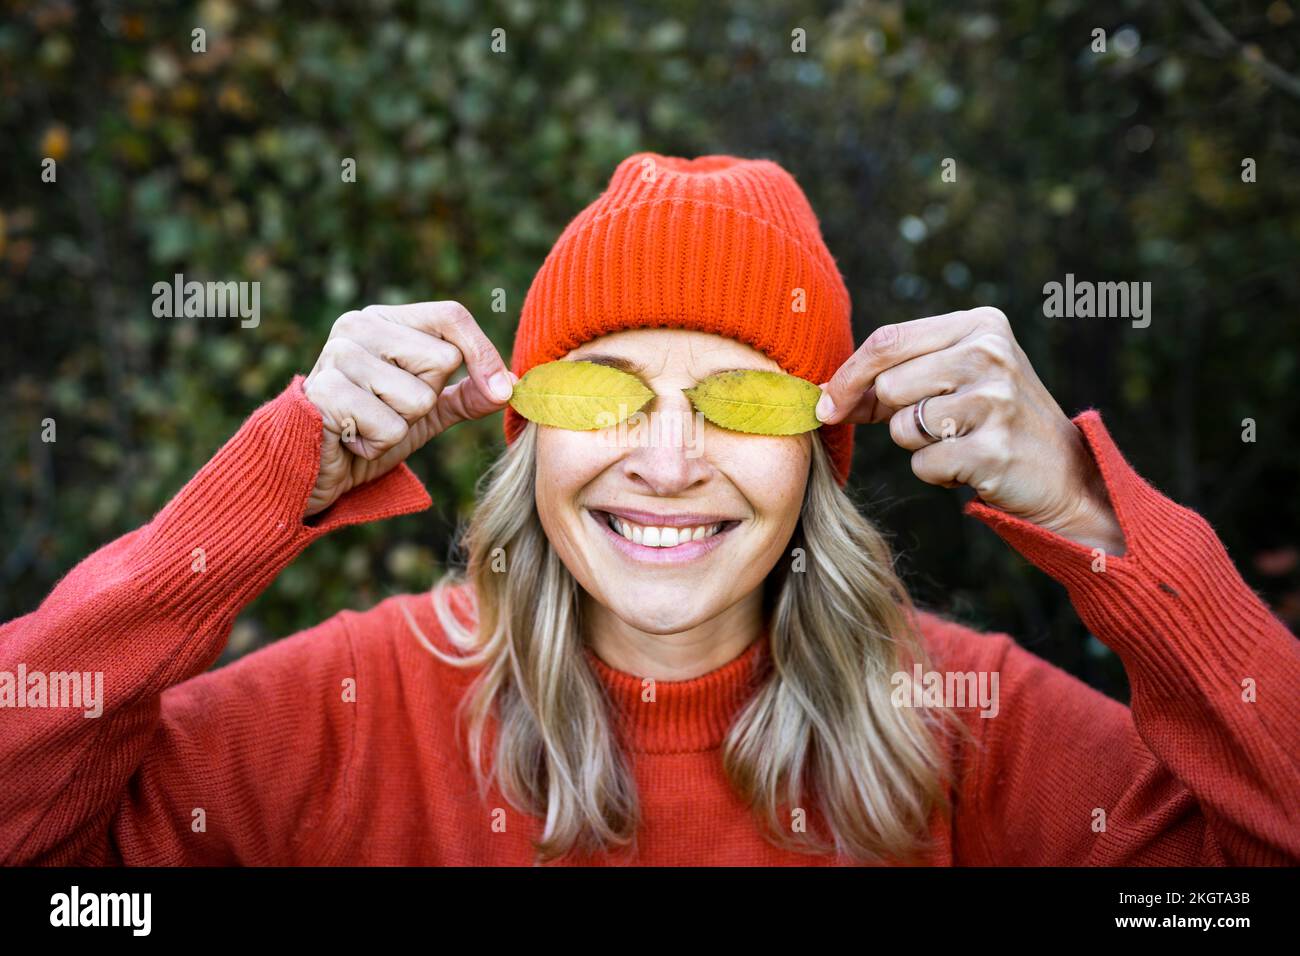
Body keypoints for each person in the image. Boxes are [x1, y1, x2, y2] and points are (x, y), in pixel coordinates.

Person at [2, 153, 1296, 866]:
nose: (669, 461)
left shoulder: (972, 728)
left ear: (820, 450)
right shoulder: (350, 710)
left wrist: (1100, 525)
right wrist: (270, 480)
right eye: (604, 394)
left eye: (742, 402)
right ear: (524, 433)